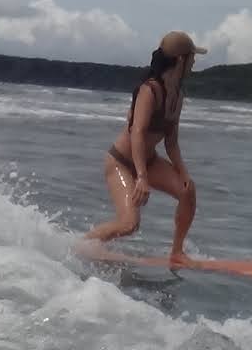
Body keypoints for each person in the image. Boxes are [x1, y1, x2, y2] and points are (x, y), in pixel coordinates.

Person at [85, 30, 205, 261]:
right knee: (129, 224)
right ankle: (82, 246)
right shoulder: (149, 90)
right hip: (120, 162)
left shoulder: (177, 96)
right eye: (193, 57)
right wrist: (141, 177)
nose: (194, 62)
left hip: (148, 161)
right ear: (182, 59)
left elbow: (171, 142)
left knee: (187, 192)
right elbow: (137, 134)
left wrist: (184, 173)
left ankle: (177, 252)